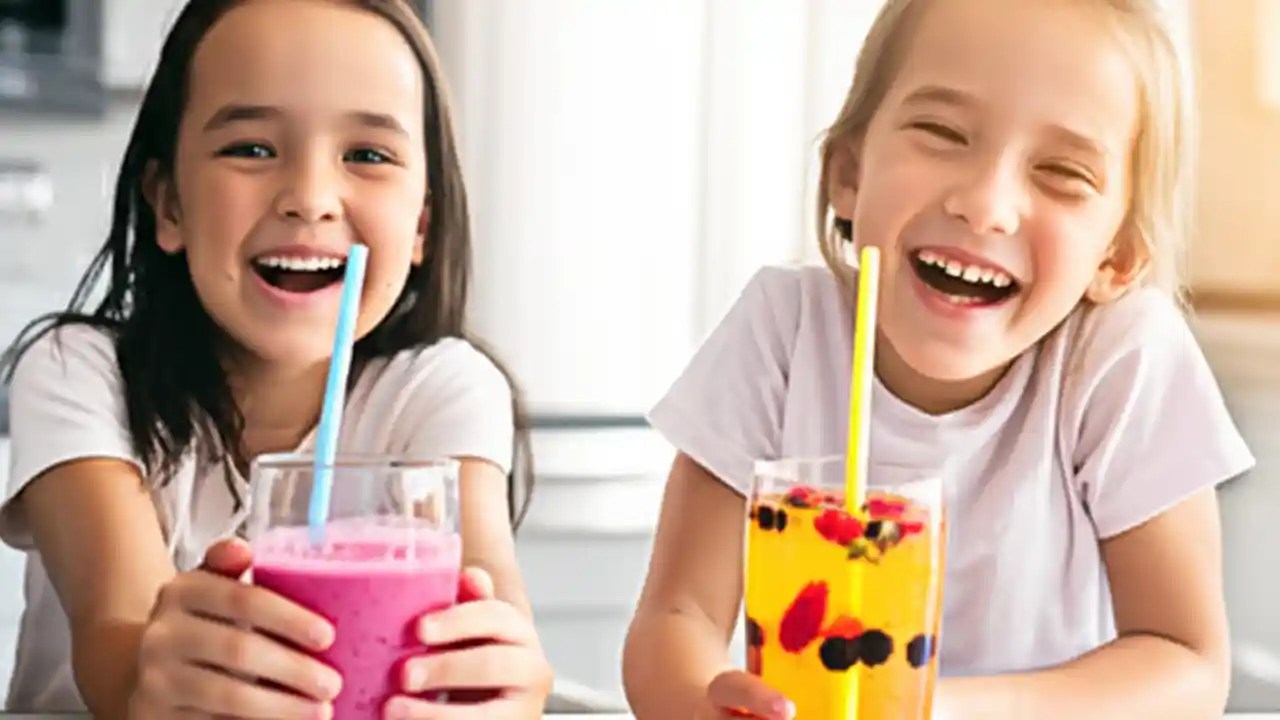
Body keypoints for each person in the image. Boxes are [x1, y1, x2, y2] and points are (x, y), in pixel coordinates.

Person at [622, 0, 1255, 718]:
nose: (986, 205)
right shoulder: (783, 332)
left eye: (1062, 173)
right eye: (942, 131)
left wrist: (922, 709)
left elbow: (1185, 662)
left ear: (1117, 255)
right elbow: (679, 619)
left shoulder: (1122, 361)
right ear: (849, 174)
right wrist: (705, 704)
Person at [0, 1, 551, 718]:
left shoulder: (443, 389)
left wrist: (501, 676)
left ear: (421, 225)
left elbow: (487, 604)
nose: (310, 199)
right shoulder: (78, 372)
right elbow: (118, 638)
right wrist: (156, 675)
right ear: (168, 204)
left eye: (368, 156)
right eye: (252, 149)